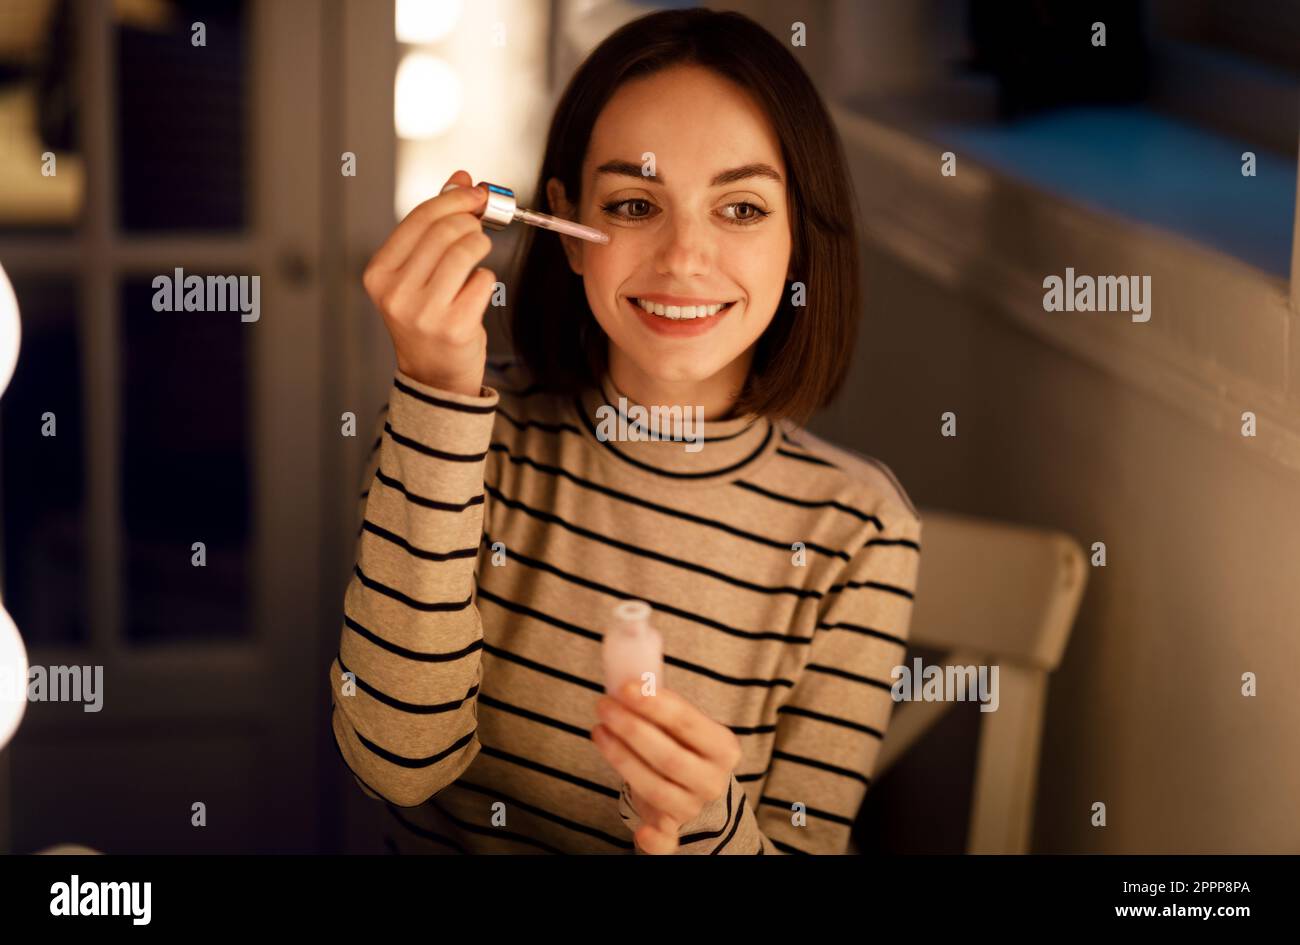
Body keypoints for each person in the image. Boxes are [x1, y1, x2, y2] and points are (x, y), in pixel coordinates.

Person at [329, 7, 922, 855]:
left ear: (799, 239)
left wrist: (712, 829)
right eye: (636, 203)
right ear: (567, 230)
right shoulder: (459, 437)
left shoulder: (862, 532)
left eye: (743, 208)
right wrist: (432, 391)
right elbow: (396, 759)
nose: (685, 256)